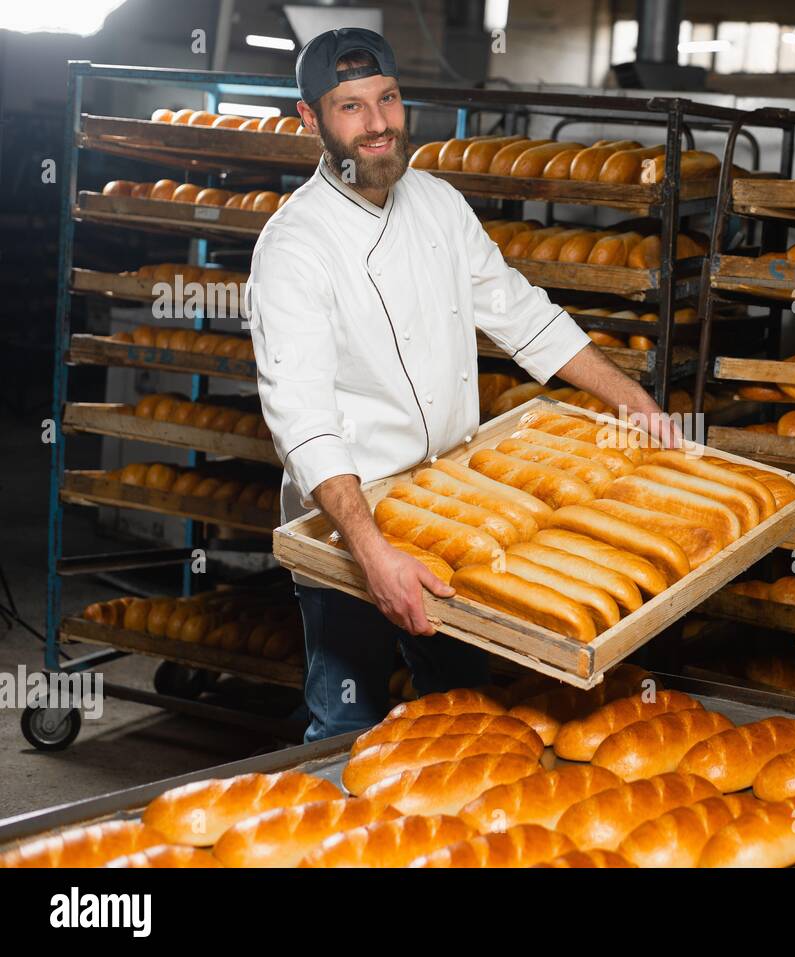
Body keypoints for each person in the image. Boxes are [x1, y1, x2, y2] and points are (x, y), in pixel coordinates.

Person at [248, 28, 680, 742]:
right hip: (350, 525)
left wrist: (628, 398)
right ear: (309, 120)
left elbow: (522, 315)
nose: (378, 123)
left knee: (468, 719)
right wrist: (373, 553)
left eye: (386, 99)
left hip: (453, 510)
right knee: (345, 728)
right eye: (350, 107)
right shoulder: (295, 246)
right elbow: (304, 421)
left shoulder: (439, 205)